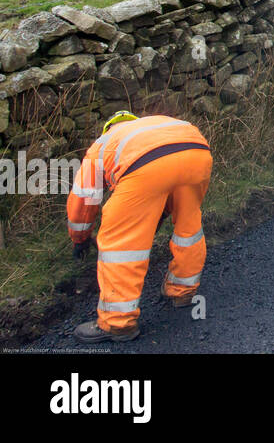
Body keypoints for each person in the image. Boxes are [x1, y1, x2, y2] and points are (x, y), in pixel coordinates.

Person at [66, 110, 213, 343]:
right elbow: (165, 188)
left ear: (108, 128)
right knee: (189, 224)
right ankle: (182, 291)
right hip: (197, 151)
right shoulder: (153, 125)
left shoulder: (101, 146)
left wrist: (80, 238)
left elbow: (83, 203)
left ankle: (117, 322)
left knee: (120, 242)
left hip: (148, 164)